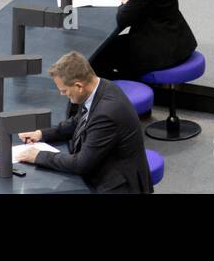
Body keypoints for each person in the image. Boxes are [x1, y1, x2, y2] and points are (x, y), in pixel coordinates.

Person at [18, 51, 152, 194]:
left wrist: (38, 156)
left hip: (117, 184)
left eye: (64, 90)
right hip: (104, 166)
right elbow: (78, 121)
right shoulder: (98, 87)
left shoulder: (106, 113)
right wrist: (41, 134)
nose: (62, 94)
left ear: (78, 86)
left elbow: (81, 164)